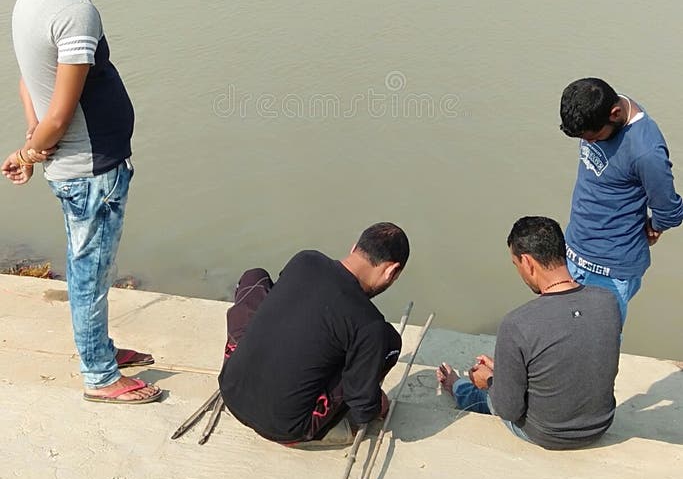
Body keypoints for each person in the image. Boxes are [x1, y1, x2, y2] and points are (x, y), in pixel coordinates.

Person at [1, 0, 161, 405]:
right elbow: (60, 115)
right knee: (91, 272)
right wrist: (29, 152)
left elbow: (31, 81)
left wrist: (30, 142)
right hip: (91, 172)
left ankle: (100, 348)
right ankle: (100, 376)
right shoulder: (76, 12)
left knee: (87, 263)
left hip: (75, 165)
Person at [437, 216, 621, 450]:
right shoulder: (608, 302)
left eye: (516, 264)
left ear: (527, 262)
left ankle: (456, 386)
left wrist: (490, 380)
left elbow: (509, 409)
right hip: (600, 425)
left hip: (547, 433)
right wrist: (505, 370)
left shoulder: (517, 323)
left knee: (486, 395)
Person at [218, 222, 409, 445]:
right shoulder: (371, 326)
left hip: (231, 390)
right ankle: (334, 427)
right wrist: (376, 405)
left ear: (354, 248)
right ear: (391, 271)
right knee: (388, 344)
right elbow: (363, 410)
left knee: (255, 277)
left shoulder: (305, 260)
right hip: (285, 427)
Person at [559, 77, 683, 322]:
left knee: (597, 337)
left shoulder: (646, 152)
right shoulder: (596, 107)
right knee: (562, 329)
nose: (589, 142)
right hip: (572, 248)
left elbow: (669, 210)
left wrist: (654, 226)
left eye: (593, 138)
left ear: (615, 114)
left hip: (609, 270)